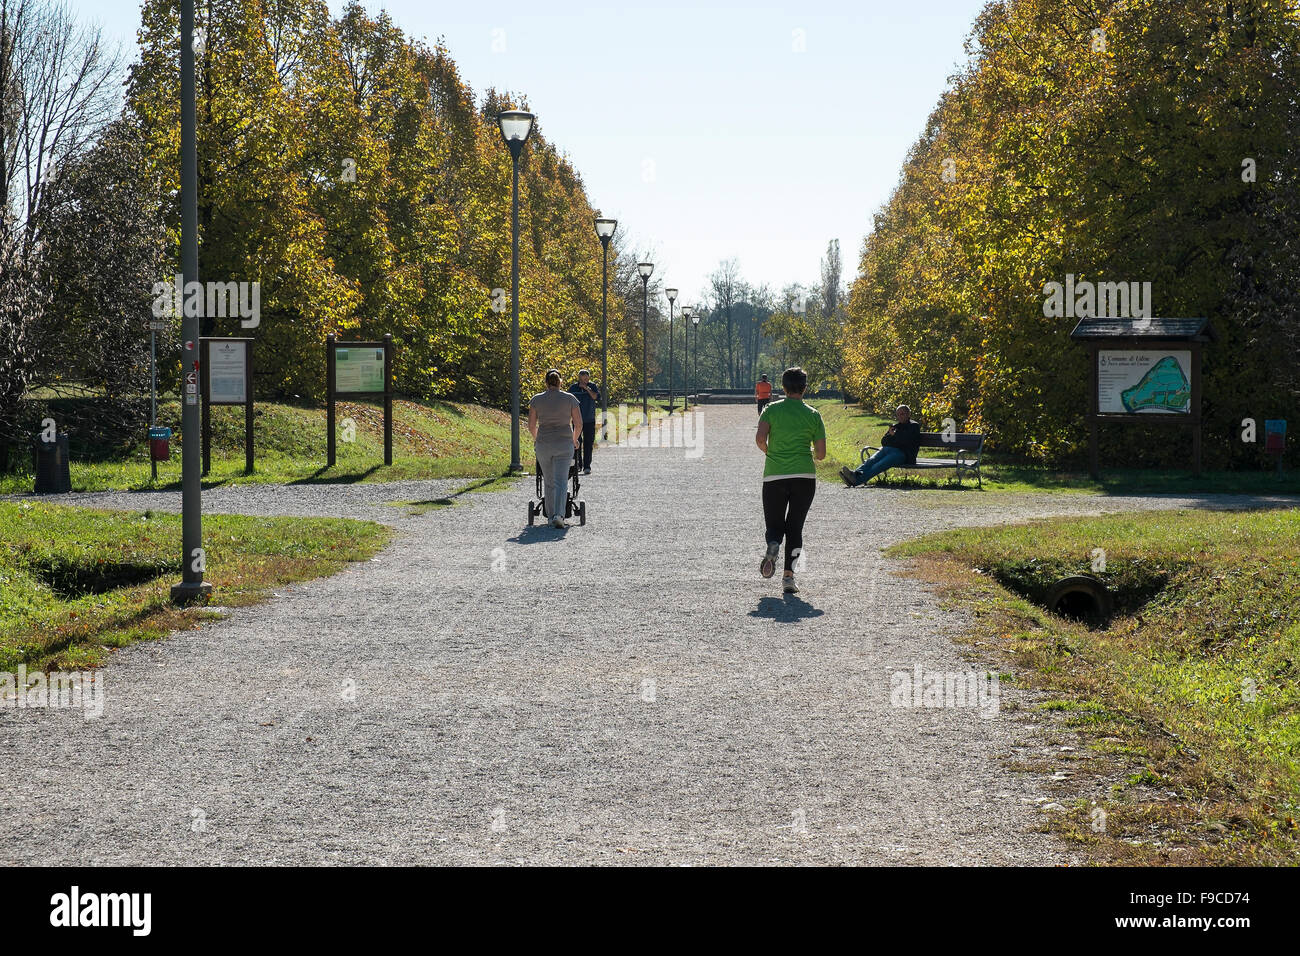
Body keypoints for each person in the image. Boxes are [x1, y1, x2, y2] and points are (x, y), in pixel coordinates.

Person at [756, 367, 826, 594]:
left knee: (775, 526)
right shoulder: (813, 415)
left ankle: (773, 544)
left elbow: (760, 439)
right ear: (805, 388)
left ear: (783, 387)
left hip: (775, 474)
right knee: (795, 527)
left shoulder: (770, 410)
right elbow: (821, 453)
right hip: (804, 476)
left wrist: (770, 452)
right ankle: (788, 578)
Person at [529, 368, 582, 528]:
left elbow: (531, 426)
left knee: (549, 480)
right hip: (564, 443)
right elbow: (578, 424)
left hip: (544, 444)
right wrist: (574, 440)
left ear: (546, 382)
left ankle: (550, 515)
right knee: (561, 481)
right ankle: (559, 515)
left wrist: (537, 439)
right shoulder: (570, 399)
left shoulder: (536, 400)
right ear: (560, 382)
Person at [841, 405, 922, 487]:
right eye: (898, 414)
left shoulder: (914, 426)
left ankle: (856, 481)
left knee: (879, 465)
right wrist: (891, 436)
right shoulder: (896, 426)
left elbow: (906, 441)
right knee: (871, 461)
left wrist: (894, 436)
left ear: (908, 414)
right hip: (889, 450)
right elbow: (884, 442)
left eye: (902, 414)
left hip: (904, 455)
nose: (900, 416)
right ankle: (854, 474)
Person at [568, 369, 600, 474]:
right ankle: (577, 465)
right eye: (583, 378)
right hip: (577, 420)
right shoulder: (573, 388)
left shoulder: (593, 386)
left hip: (589, 419)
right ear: (579, 378)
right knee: (576, 442)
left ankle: (587, 466)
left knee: (588, 443)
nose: (585, 380)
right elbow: (568, 401)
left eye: (587, 378)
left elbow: (595, 397)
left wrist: (586, 388)